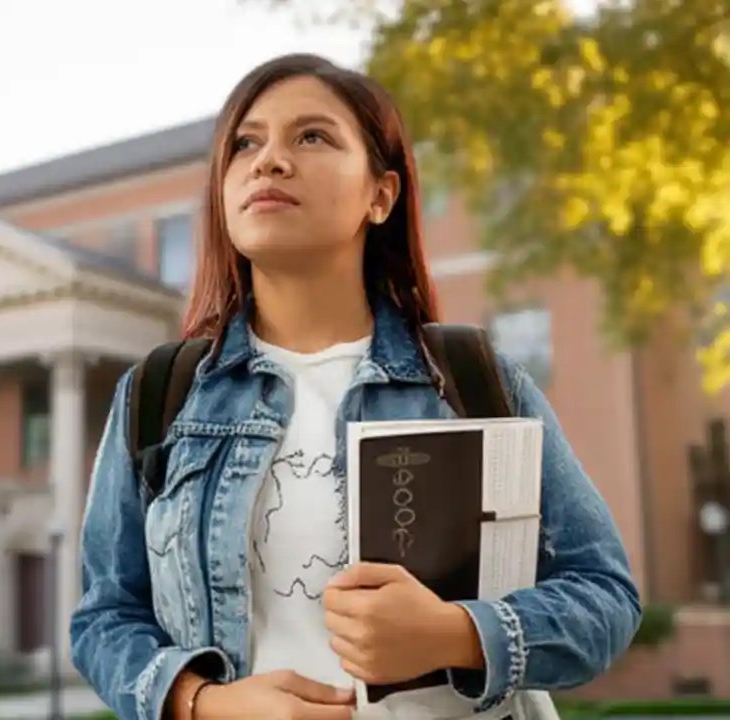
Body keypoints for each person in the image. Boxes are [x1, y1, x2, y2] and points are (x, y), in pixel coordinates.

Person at [69, 53, 641, 720]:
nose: (269, 161)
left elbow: (605, 596)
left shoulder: (472, 383)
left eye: (312, 137)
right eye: (246, 143)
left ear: (381, 195)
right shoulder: (160, 396)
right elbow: (106, 617)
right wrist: (205, 704)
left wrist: (453, 634)